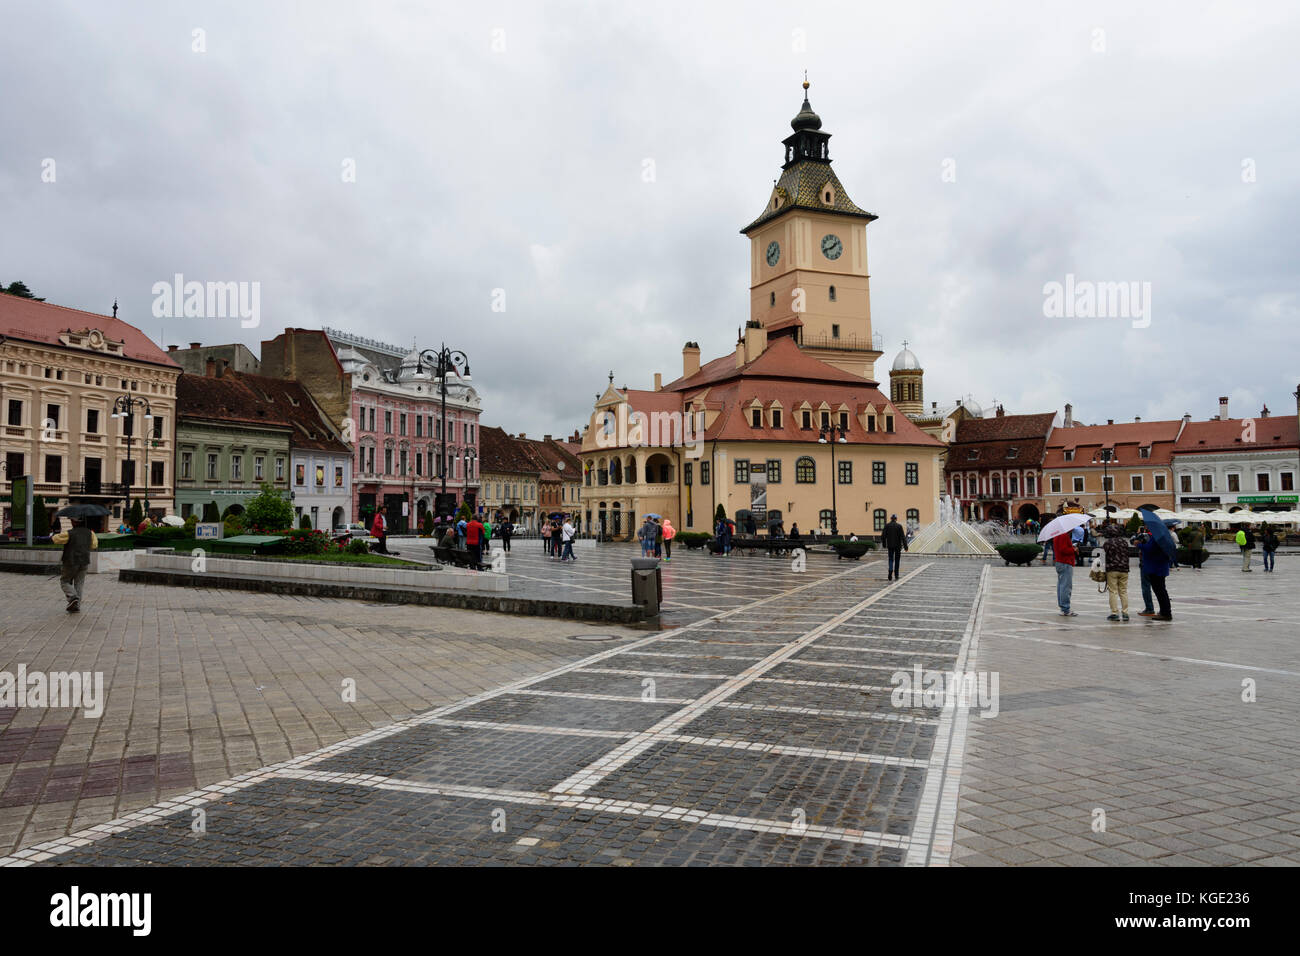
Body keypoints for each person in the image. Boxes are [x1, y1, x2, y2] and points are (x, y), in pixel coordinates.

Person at [52, 517, 98, 613]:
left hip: (71, 561)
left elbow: (56, 539)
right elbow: (94, 545)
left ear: (74, 522)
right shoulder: (90, 533)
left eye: (71, 520)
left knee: (64, 581)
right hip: (84, 561)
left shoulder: (69, 533)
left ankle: (73, 597)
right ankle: (76, 606)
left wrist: (54, 533)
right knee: (79, 583)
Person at [1138, 529, 1173, 620]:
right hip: (1161, 568)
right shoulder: (1165, 538)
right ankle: (1164, 611)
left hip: (1156, 569)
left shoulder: (1157, 538)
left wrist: (1138, 544)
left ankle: (1166, 613)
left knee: (1160, 591)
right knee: (1162, 591)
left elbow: (1149, 548)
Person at [1099, 521, 1130, 622]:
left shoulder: (1108, 543)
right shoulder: (1124, 542)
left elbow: (1103, 556)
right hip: (1124, 569)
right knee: (1123, 591)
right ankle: (1125, 613)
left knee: (1113, 591)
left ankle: (1114, 613)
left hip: (1112, 569)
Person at [1052, 526, 1078, 616]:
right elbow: (1063, 549)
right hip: (1065, 562)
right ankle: (1065, 609)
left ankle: (1063, 607)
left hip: (1060, 562)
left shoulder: (1057, 535)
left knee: (1061, 586)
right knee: (1066, 587)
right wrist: (1073, 549)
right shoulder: (1063, 535)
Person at [881, 514, 907, 581]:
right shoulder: (899, 526)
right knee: (897, 560)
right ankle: (896, 574)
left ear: (891, 519)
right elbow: (903, 537)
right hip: (898, 546)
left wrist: (884, 544)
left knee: (890, 559)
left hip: (890, 546)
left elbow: (883, 536)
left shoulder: (887, 526)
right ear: (896, 519)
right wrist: (905, 546)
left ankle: (890, 571)